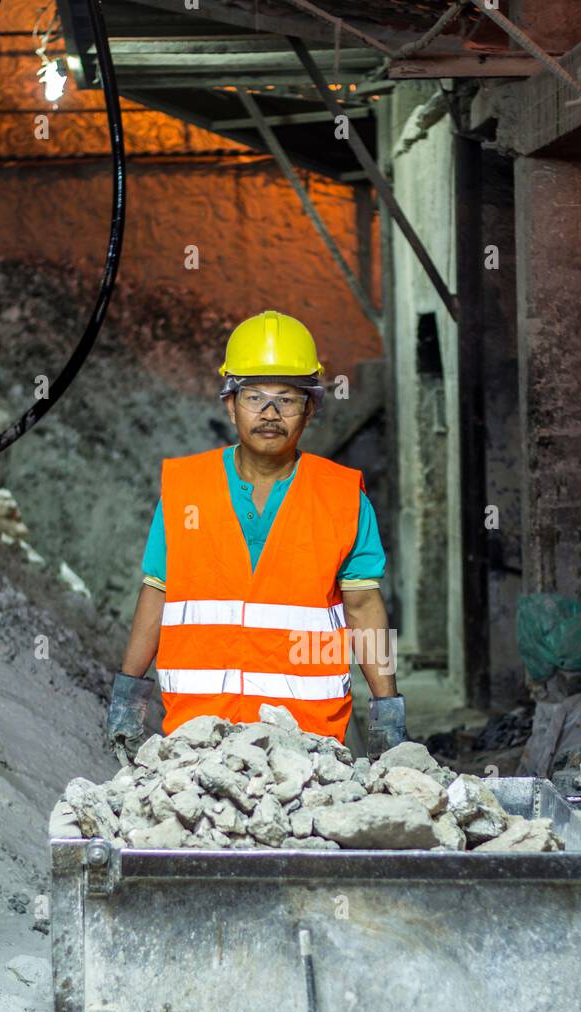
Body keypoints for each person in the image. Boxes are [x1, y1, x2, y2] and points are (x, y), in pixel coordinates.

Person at [106, 310, 407, 762]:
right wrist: (128, 696)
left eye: (287, 399)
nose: (270, 413)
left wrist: (387, 708)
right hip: (197, 740)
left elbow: (364, 606)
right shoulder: (186, 489)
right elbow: (157, 593)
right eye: (255, 397)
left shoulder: (342, 496)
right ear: (230, 405)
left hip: (308, 747)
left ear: (311, 407)